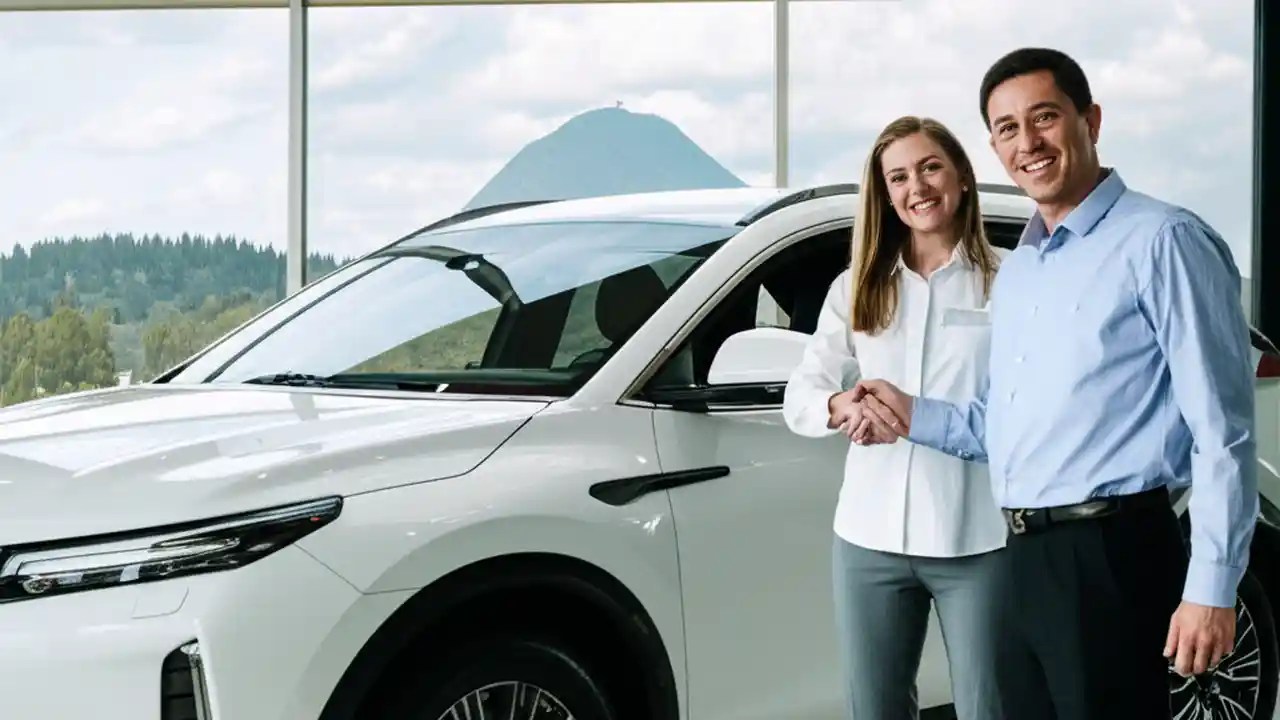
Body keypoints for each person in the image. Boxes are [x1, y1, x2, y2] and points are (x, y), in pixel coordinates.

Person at [852, 47, 1257, 720]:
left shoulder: (1162, 240)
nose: (1027, 142)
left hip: (1112, 555)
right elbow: (997, 425)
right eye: (1007, 128)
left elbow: (1224, 430)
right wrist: (911, 412)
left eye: (1044, 117)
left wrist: (1212, 587)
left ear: (1090, 120)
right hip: (1017, 556)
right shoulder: (1024, 270)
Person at [781, 115, 1007, 720]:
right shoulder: (857, 286)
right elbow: (804, 388)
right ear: (883, 193)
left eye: (930, 167)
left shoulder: (1008, 281)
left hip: (977, 540)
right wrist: (840, 404)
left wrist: (917, 416)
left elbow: (1019, 414)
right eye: (898, 176)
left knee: (992, 708)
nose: (918, 186)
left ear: (960, 174)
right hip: (867, 541)